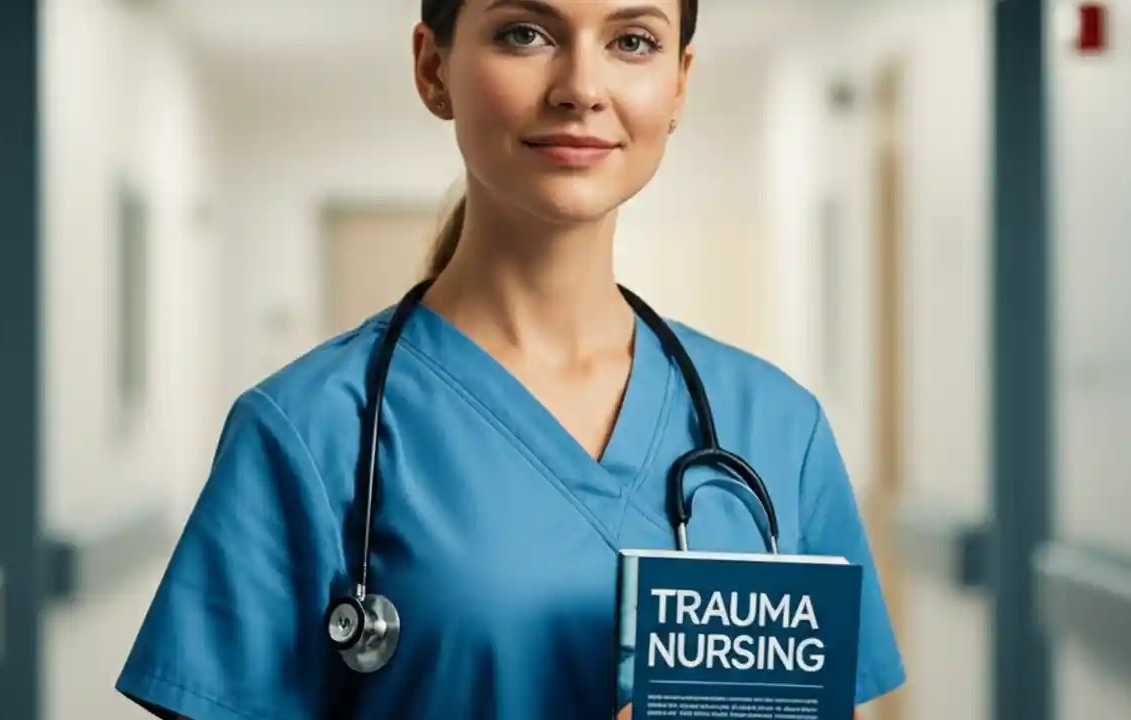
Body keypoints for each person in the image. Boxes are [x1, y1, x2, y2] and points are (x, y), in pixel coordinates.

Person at [115, 0, 906, 718]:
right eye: (525, 34)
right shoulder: (311, 428)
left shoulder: (776, 426)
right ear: (433, 68)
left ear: (679, 85)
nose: (581, 88)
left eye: (632, 42)